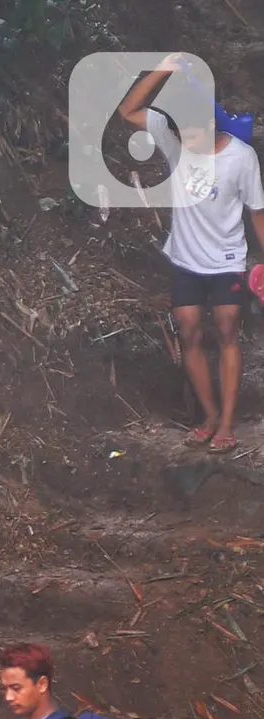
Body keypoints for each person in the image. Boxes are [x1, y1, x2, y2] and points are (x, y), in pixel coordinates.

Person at [119, 53, 264, 451]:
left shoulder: (241, 158)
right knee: (189, 331)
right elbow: (128, 110)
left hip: (226, 261)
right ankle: (210, 415)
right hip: (185, 259)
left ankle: (228, 424)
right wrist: (163, 69)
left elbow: (257, 214)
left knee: (228, 331)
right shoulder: (173, 140)